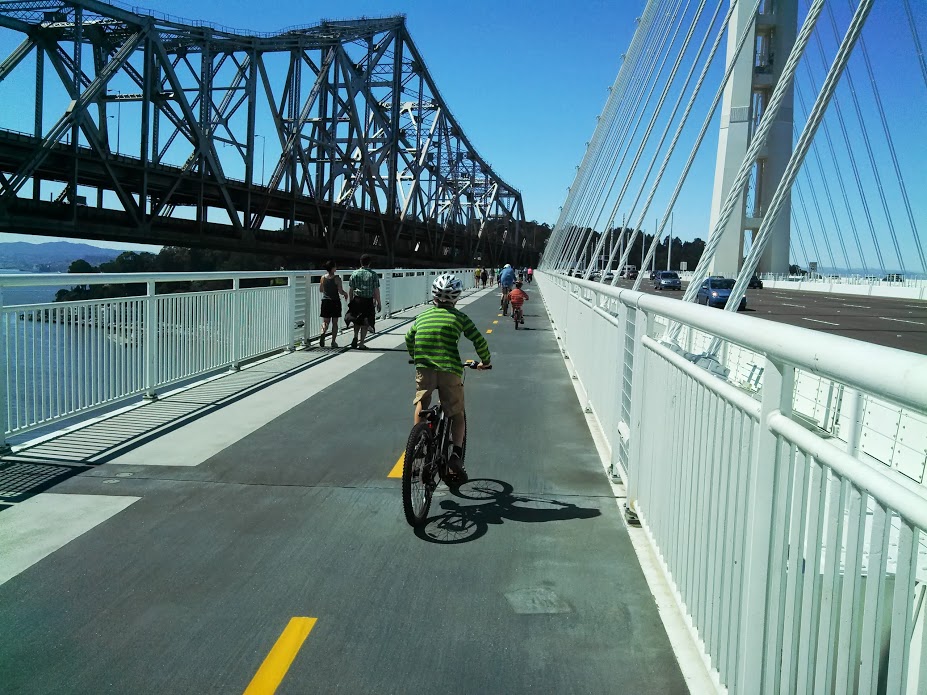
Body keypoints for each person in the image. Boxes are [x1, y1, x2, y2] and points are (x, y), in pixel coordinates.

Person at [405, 273, 491, 483]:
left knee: (422, 402)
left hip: (424, 367)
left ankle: (419, 443)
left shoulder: (422, 317)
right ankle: (455, 455)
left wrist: (414, 356)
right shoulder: (459, 318)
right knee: (457, 413)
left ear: (434, 294)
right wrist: (485, 361)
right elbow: (478, 339)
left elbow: (409, 338)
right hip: (449, 370)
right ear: (456, 297)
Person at [348, 254, 381, 350]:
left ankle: (355, 336)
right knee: (366, 322)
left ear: (360, 262)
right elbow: (376, 290)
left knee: (357, 321)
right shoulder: (373, 274)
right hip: (368, 300)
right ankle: (361, 343)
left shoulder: (355, 273)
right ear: (369, 263)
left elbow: (351, 289)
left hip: (357, 299)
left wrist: (351, 301)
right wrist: (379, 302)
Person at [319, 260, 348, 348]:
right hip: (335, 301)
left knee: (325, 321)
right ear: (332, 268)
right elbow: (340, 291)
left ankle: (322, 333)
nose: (336, 268)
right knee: (335, 323)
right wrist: (345, 294)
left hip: (325, 301)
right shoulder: (337, 278)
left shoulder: (323, 277)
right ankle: (333, 342)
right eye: (335, 266)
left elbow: (321, 290)